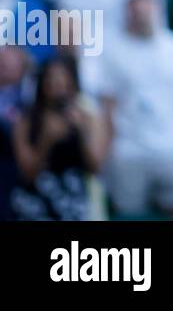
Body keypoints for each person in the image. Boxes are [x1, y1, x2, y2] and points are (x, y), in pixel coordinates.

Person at [99, 0, 173, 217]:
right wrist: (108, 155)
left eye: (146, 8)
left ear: (158, 9)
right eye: (135, 9)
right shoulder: (113, 53)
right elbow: (108, 108)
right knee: (129, 215)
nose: (141, 14)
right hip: (128, 152)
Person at [9, 55, 108, 221]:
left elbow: (95, 166)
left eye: (63, 78)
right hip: (34, 204)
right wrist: (46, 140)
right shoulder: (25, 120)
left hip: (74, 203)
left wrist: (81, 132)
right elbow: (27, 172)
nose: (57, 85)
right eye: (51, 79)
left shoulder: (89, 118)